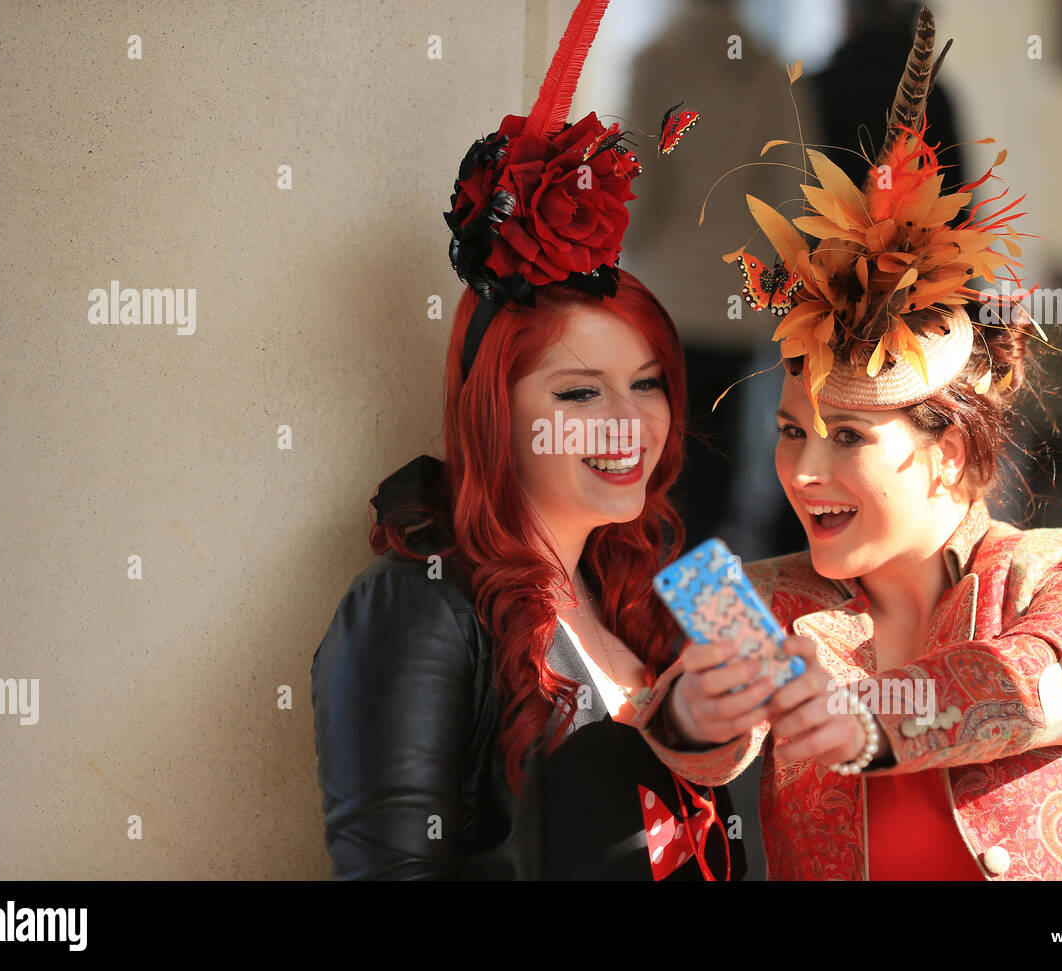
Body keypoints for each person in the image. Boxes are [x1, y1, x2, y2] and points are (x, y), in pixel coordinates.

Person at [635, 6, 1062, 880]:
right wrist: (693, 709)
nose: (803, 471)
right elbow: (695, 745)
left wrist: (876, 713)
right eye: (791, 429)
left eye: (847, 435)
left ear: (950, 451)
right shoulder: (743, 597)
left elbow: (1056, 678)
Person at [310, 0, 745, 880]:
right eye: (579, 391)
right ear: (493, 412)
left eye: (648, 382)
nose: (630, 421)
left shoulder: (668, 591)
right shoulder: (416, 612)